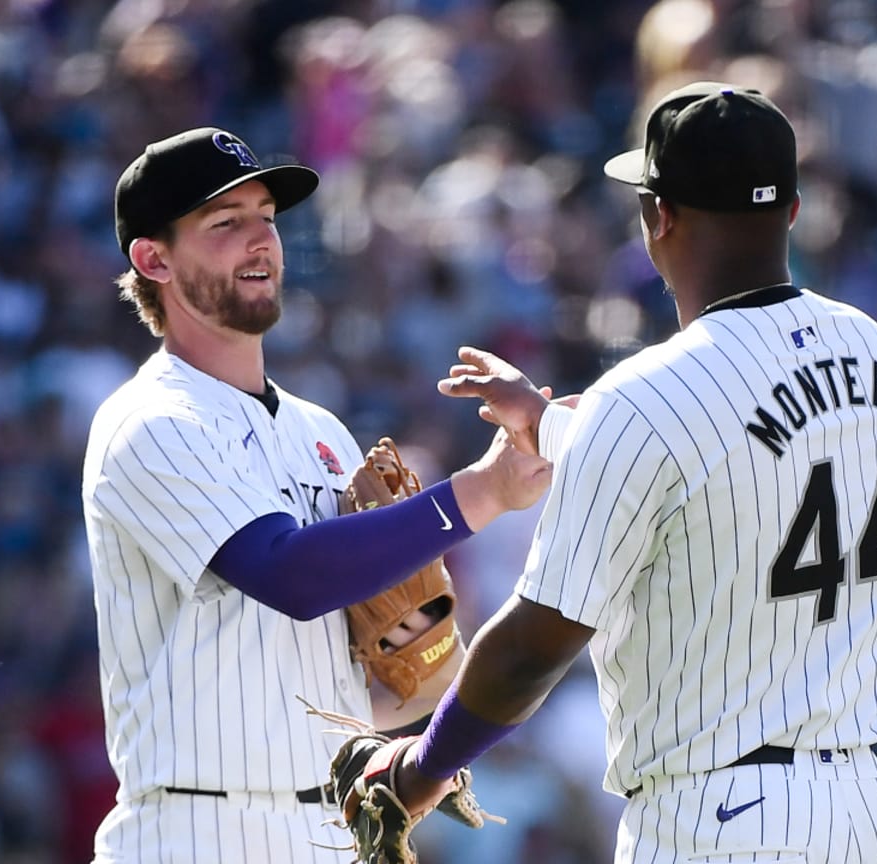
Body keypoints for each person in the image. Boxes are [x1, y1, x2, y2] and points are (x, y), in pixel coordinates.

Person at [362, 82, 877, 862]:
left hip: (732, 816)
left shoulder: (642, 400)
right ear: (793, 210)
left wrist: (420, 771)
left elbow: (535, 648)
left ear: (658, 218)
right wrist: (558, 425)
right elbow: (741, 456)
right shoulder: (869, 344)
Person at [80, 126, 552, 862]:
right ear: (153, 258)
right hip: (194, 831)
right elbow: (291, 575)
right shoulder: (149, 423)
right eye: (225, 223)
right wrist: (478, 495)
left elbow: (385, 683)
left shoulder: (318, 432)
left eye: (267, 216)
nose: (262, 240)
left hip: (329, 829)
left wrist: (421, 662)